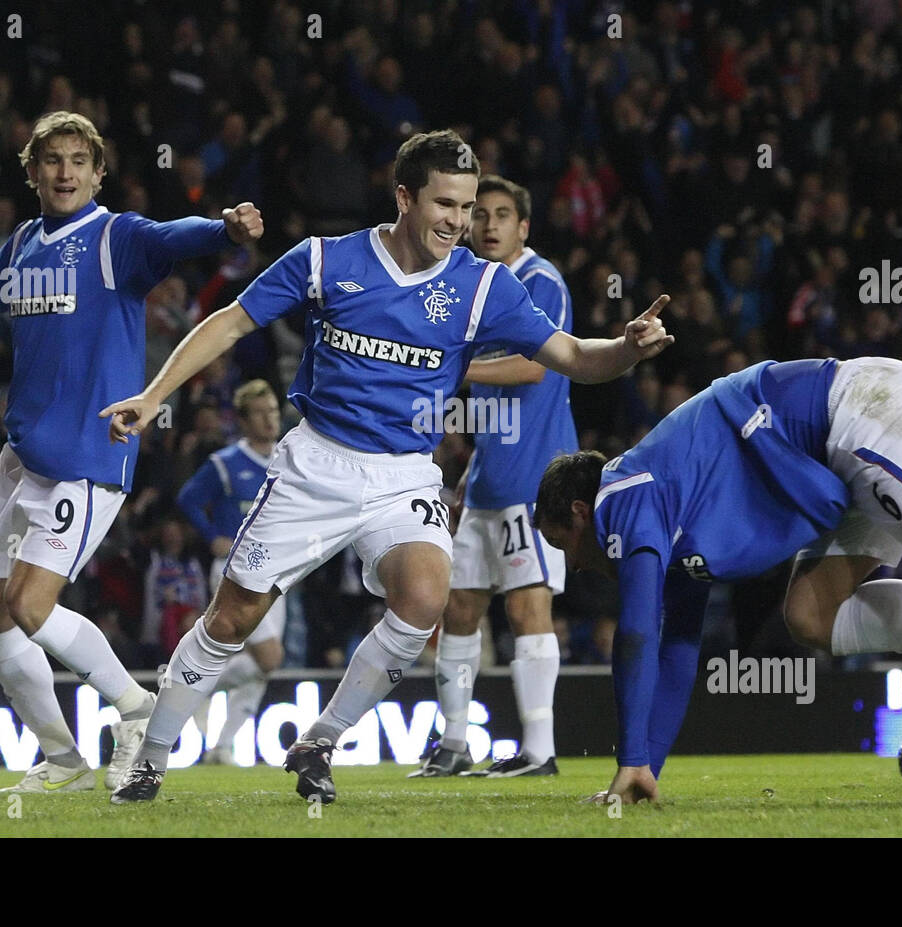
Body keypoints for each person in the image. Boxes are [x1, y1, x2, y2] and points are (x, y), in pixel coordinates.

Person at [104, 129, 672, 804]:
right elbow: (230, 323)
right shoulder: (324, 259)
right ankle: (152, 750)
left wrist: (627, 350)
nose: (459, 221)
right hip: (318, 463)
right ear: (404, 196)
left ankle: (320, 738)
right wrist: (153, 395)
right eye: (445, 204)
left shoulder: (485, 285)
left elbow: (575, 356)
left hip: (404, 472)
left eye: (466, 207)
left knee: (427, 596)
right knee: (233, 619)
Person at [0, 110, 264, 793]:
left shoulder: (115, 236)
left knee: (29, 604)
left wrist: (224, 227)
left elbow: (171, 239)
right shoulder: (21, 245)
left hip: (89, 453)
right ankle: (64, 761)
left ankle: (136, 708)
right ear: (33, 173)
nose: (66, 171)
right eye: (52, 160)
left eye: (79, 160)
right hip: (20, 455)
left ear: (98, 173)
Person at [533, 355, 902, 805]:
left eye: (563, 545)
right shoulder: (663, 510)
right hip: (837, 450)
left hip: (860, 412)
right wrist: (644, 770)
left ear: (580, 512)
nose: (575, 564)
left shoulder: (623, 499)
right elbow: (678, 647)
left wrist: (629, 755)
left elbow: (636, 636)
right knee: (812, 616)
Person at [411, 176, 576, 778]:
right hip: (487, 479)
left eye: (503, 215)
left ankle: (539, 750)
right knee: (458, 609)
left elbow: (537, 366)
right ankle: (454, 743)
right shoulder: (472, 286)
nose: (488, 226)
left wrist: (450, 371)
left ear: (524, 227)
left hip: (537, 481)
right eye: (480, 215)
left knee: (528, 610)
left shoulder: (539, 282)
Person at [177, 379, 285, 764]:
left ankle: (222, 747)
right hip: (236, 569)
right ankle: (182, 688)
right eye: (260, 412)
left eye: (273, 410)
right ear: (242, 420)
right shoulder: (225, 463)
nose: (270, 419)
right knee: (269, 657)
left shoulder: (289, 460)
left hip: (280, 572)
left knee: (261, 667)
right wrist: (211, 536)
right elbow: (188, 499)